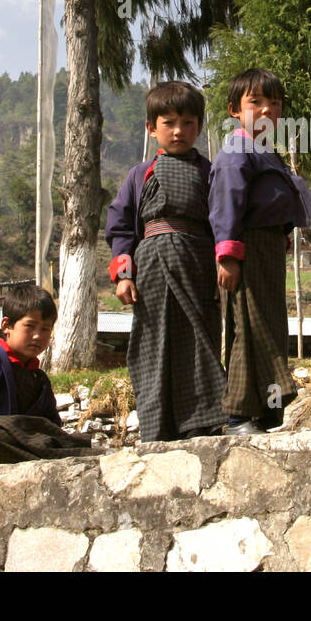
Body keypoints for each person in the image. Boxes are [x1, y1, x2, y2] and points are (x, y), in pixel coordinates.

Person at [105, 81, 227, 442]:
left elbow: (222, 221)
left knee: (199, 339)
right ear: (150, 128)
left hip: (198, 266)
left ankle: (204, 421)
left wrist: (223, 261)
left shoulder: (211, 173)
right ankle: (157, 428)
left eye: (188, 122)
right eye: (169, 122)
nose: (178, 131)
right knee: (152, 343)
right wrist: (124, 275)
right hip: (151, 270)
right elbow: (121, 228)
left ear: (199, 127)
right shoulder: (138, 175)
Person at [210, 68, 311, 435]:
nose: (267, 110)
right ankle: (237, 415)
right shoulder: (234, 153)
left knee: (269, 325)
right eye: (256, 102)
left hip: (268, 247)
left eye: (275, 103)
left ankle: (266, 411)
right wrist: (228, 256)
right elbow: (226, 206)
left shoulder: (266, 152)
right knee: (249, 329)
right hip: (247, 250)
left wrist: (282, 234)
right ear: (234, 110)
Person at [0, 284, 91, 465]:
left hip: (27, 452)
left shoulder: (40, 380)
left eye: (45, 329)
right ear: (6, 325)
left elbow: (50, 426)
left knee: (80, 443)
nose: (37, 336)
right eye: (30, 326)